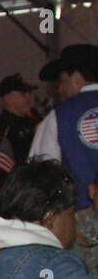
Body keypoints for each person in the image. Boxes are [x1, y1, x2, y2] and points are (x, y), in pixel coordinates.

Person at [28, 44, 98, 209]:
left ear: (76, 77)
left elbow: (40, 176)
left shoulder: (57, 117)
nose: (60, 88)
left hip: (81, 223)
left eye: (62, 80)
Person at [0, 73, 39, 165]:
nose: (29, 97)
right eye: (23, 94)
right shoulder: (2, 128)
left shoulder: (31, 121)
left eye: (29, 93)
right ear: (8, 98)